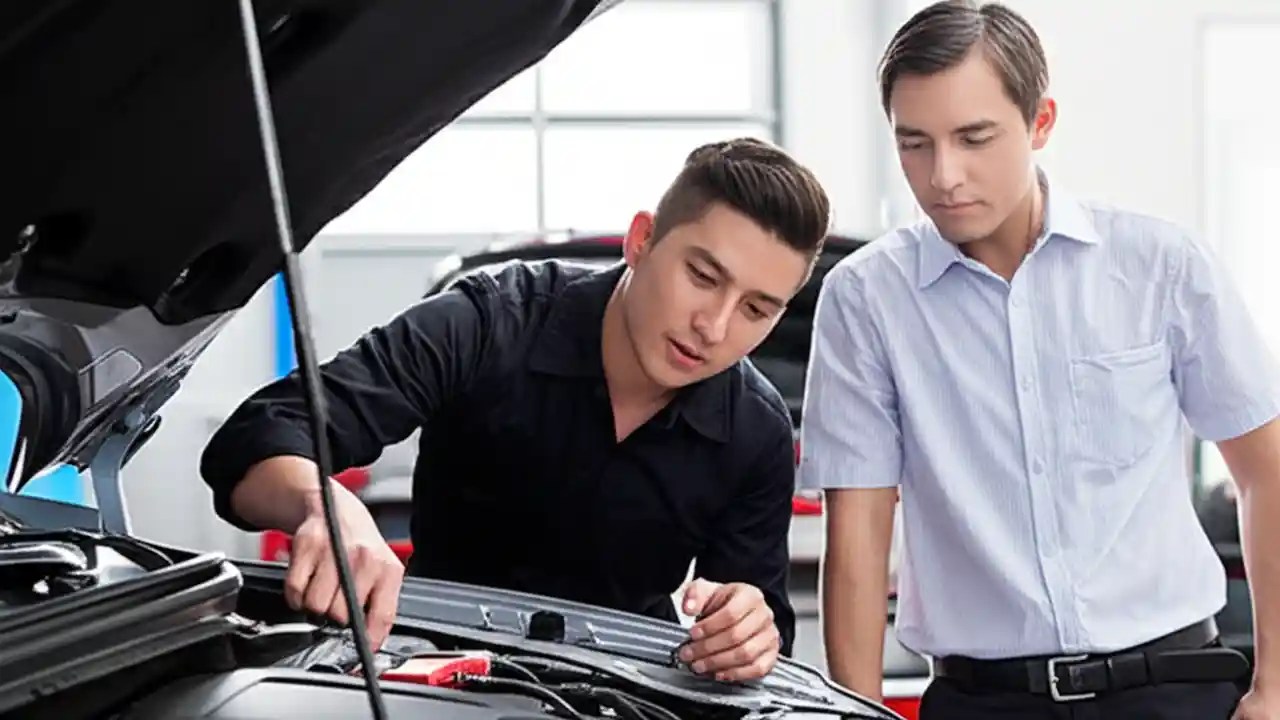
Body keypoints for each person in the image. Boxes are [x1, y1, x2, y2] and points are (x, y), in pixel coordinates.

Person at [799, 1, 1280, 718]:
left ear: (1041, 122)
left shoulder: (1159, 265)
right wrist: (858, 712)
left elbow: (1266, 473)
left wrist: (1273, 689)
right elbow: (859, 538)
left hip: (1175, 688)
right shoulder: (865, 300)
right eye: (915, 144)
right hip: (984, 701)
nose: (944, 175)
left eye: (974, 137)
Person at [201, 137, 832, 682]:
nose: (714, 327)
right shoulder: (485, 324)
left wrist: (748, 633)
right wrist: (328, 507)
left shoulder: (757, 430)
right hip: (428, 677)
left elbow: (757, 623)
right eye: (702, 276)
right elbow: (257, 437)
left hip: (624, 692)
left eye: (756, 310)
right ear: (642, 240)